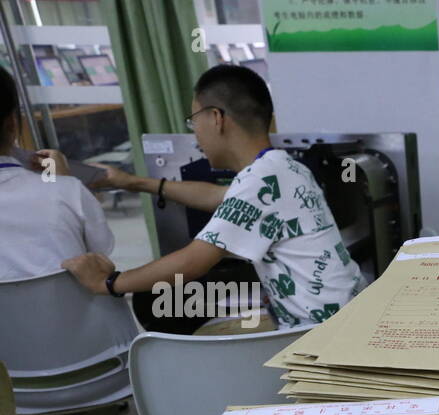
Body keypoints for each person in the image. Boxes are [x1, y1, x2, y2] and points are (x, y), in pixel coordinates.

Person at [62, 64, 362, 329]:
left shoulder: (260, 180)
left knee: (180, 324)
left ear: (216, 118)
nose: (196, 135)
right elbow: (221, 197)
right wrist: (133, 182)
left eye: (194, 122)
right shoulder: (284, 167)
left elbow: (193, 262)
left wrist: (109, 283)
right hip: (348, 314)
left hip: (319, 336)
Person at [0, 65, 136, 415]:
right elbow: (102, 258)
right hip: (99, 371)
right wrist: (59, 185)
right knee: (92, 297)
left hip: (12, 382)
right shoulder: (64, 191)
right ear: (15, 123)